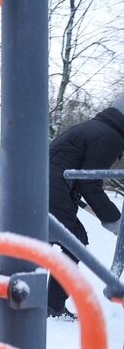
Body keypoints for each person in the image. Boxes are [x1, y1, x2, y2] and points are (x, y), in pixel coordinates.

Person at [46, 93, 124, 319]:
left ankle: (53, 304)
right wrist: (114, 221)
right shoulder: (109, 136)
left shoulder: (98, 128)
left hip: (50, 187)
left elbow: (76, 172)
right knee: (41, 245)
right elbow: (90, 181)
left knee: (73, 242)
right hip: (52, 189)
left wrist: (76, 198)